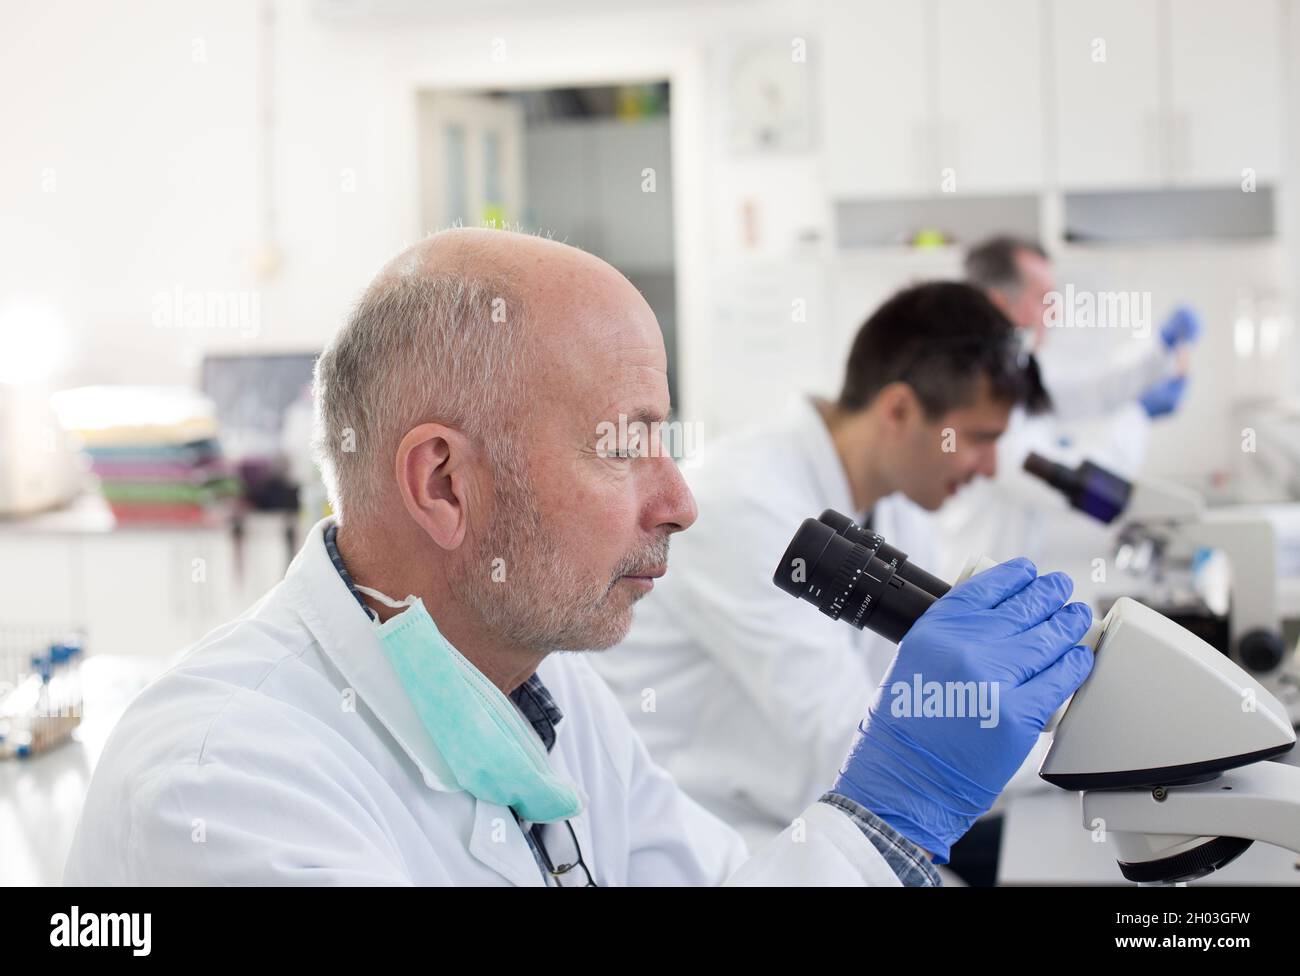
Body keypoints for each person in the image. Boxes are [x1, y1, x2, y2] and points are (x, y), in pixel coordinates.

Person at [63, 229, 1092, 886]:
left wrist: (887, 826)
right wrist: (889, 811)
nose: (679, 501)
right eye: (624, 443)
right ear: (444, 485)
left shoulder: (538, 691)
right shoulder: (222, 784)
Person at [593, 281, 1049, 854]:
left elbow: (900, 695)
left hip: (804, 817)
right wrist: (1073, 754)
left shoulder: (899, 513)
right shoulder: (745, 505)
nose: (988, 468)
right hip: (705, 835)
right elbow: (851, 739)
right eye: (980, 439)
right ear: (900, 409)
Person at [940, 236, 1202, 574]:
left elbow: (1086, 390)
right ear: (998, 304)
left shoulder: (1013, 373)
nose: (1055, 312)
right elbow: (1087, 492)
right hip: (975, 595)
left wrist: (1158, 350)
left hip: (996, 585)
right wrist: (1138, 417)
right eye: (1043, 298)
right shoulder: (979, 398)